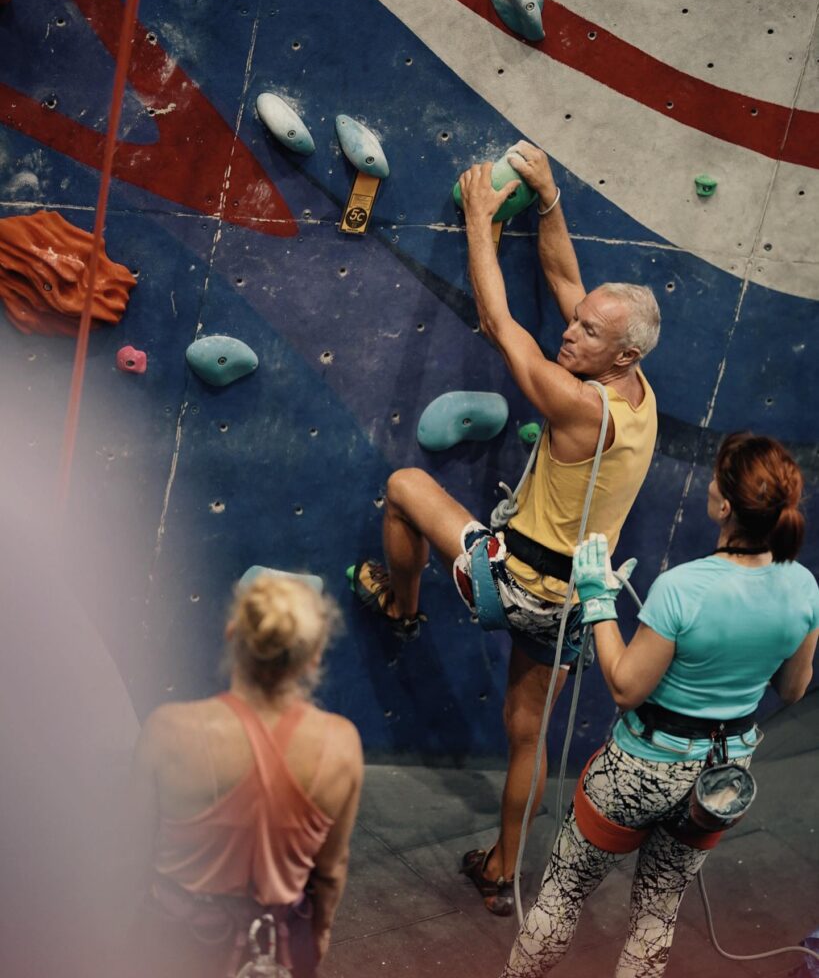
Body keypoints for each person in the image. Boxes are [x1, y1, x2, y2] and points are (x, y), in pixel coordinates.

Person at [353, 141, 660, 914]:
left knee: (404, 486)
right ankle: (502, 865)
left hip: (516, 586)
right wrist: (550, 201)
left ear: (617, 352)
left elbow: (499, 321)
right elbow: (563, 281)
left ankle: (401, 604)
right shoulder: (633, 389)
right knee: (525, 732)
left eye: (588, 334)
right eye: (579, 324)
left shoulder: (578, 405)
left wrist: (481, 223)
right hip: (570, 610)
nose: (572, 332)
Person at [503, 432, 819, 978]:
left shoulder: (683, 588)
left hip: (641, 768)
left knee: (562, 893)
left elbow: (626, 687)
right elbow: (792, 690)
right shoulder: (805, 587)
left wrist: (598, 598)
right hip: (722, 776)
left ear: (724, 504)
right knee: (658, 910)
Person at [126, 575, 363, 978]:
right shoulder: (341, 745)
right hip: (274, 948)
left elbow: (130, 851)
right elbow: (331, 871)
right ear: (315, 656)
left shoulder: (167, 731)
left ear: (232, 633)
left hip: (173, 946)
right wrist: (318, 934)